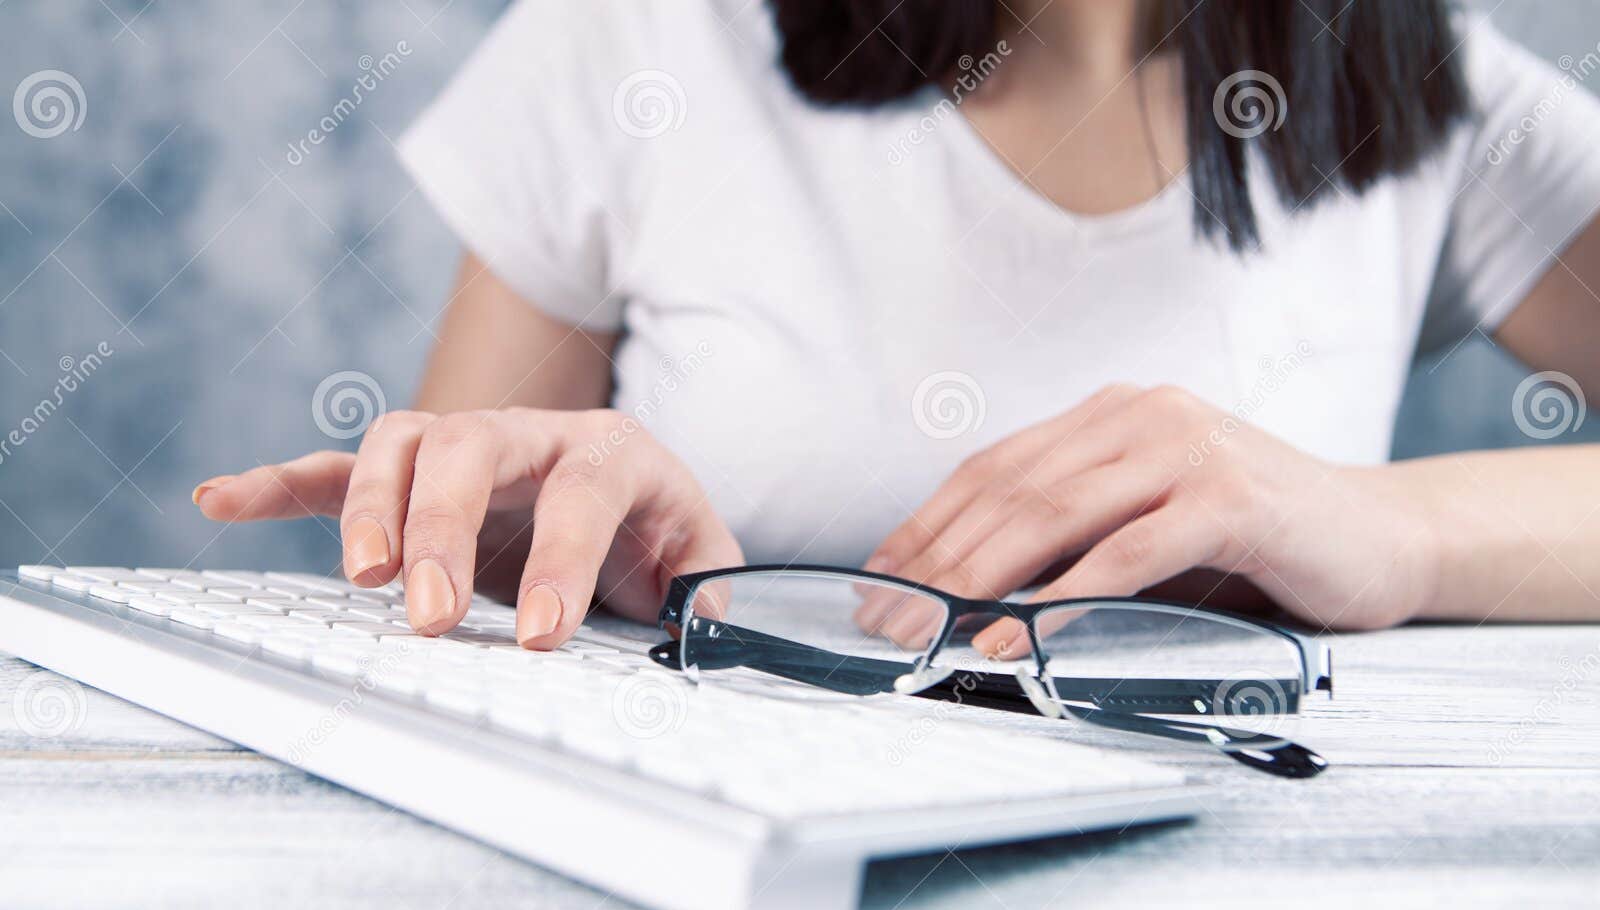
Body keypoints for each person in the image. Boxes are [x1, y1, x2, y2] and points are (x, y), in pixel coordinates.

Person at [193, 0, 1600, 652]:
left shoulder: (1427, 86)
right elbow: (449, 571)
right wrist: (526, 537)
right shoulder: (638, 44)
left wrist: (1391, 531)